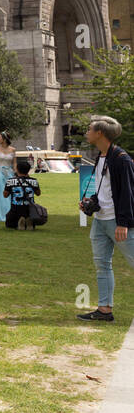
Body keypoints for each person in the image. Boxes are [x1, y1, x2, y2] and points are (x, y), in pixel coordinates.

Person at [78, 116, 134, 322]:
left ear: (100, 133)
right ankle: (104, 310)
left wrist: (124, 222)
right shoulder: (101, 156)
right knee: (102, 265)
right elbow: (105, 190)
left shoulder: (121, 159)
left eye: (89, 128)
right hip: (101, 220)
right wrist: (91, 201)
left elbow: (128, 192)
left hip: (117, 222)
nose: (87, 132)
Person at [3, 158, 43, 230]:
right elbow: (38, 193)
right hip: (30, 210)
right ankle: (28, 221)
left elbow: (5, 195)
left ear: (17, 169)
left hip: (15, 209)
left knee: (9, 224)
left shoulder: (11, 181)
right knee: (28, 214)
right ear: (28, 170)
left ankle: (20, 222)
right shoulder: (34, 181)